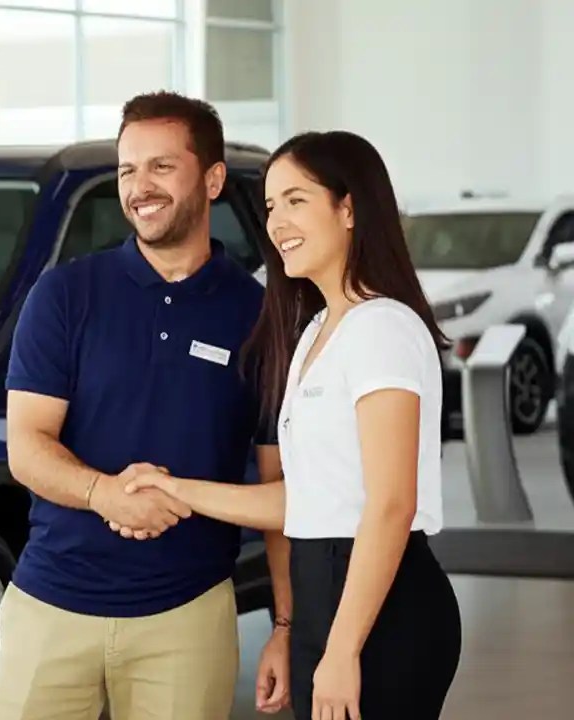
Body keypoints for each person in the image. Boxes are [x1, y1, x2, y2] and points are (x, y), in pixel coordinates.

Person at [114, 130, 463, 719]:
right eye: (271, 206)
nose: (277, 224)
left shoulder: (383, 329)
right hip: (325, 597)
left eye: (297, 201)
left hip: (383, 608)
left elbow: (391, 504)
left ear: (348, 207)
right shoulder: (314, 334)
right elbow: (304, 501)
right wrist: (178, 491)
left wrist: (344, 648)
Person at [0, 91, 284, 720]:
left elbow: (279, 484)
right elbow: (27, 444)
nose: (139, 187)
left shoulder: (258, 316)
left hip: (187, 616)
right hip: (51, 608)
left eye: (161, 167)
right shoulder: (65, 295)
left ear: (214, 178)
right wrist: (104, 494)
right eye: (127, 169)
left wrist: (285, 624)